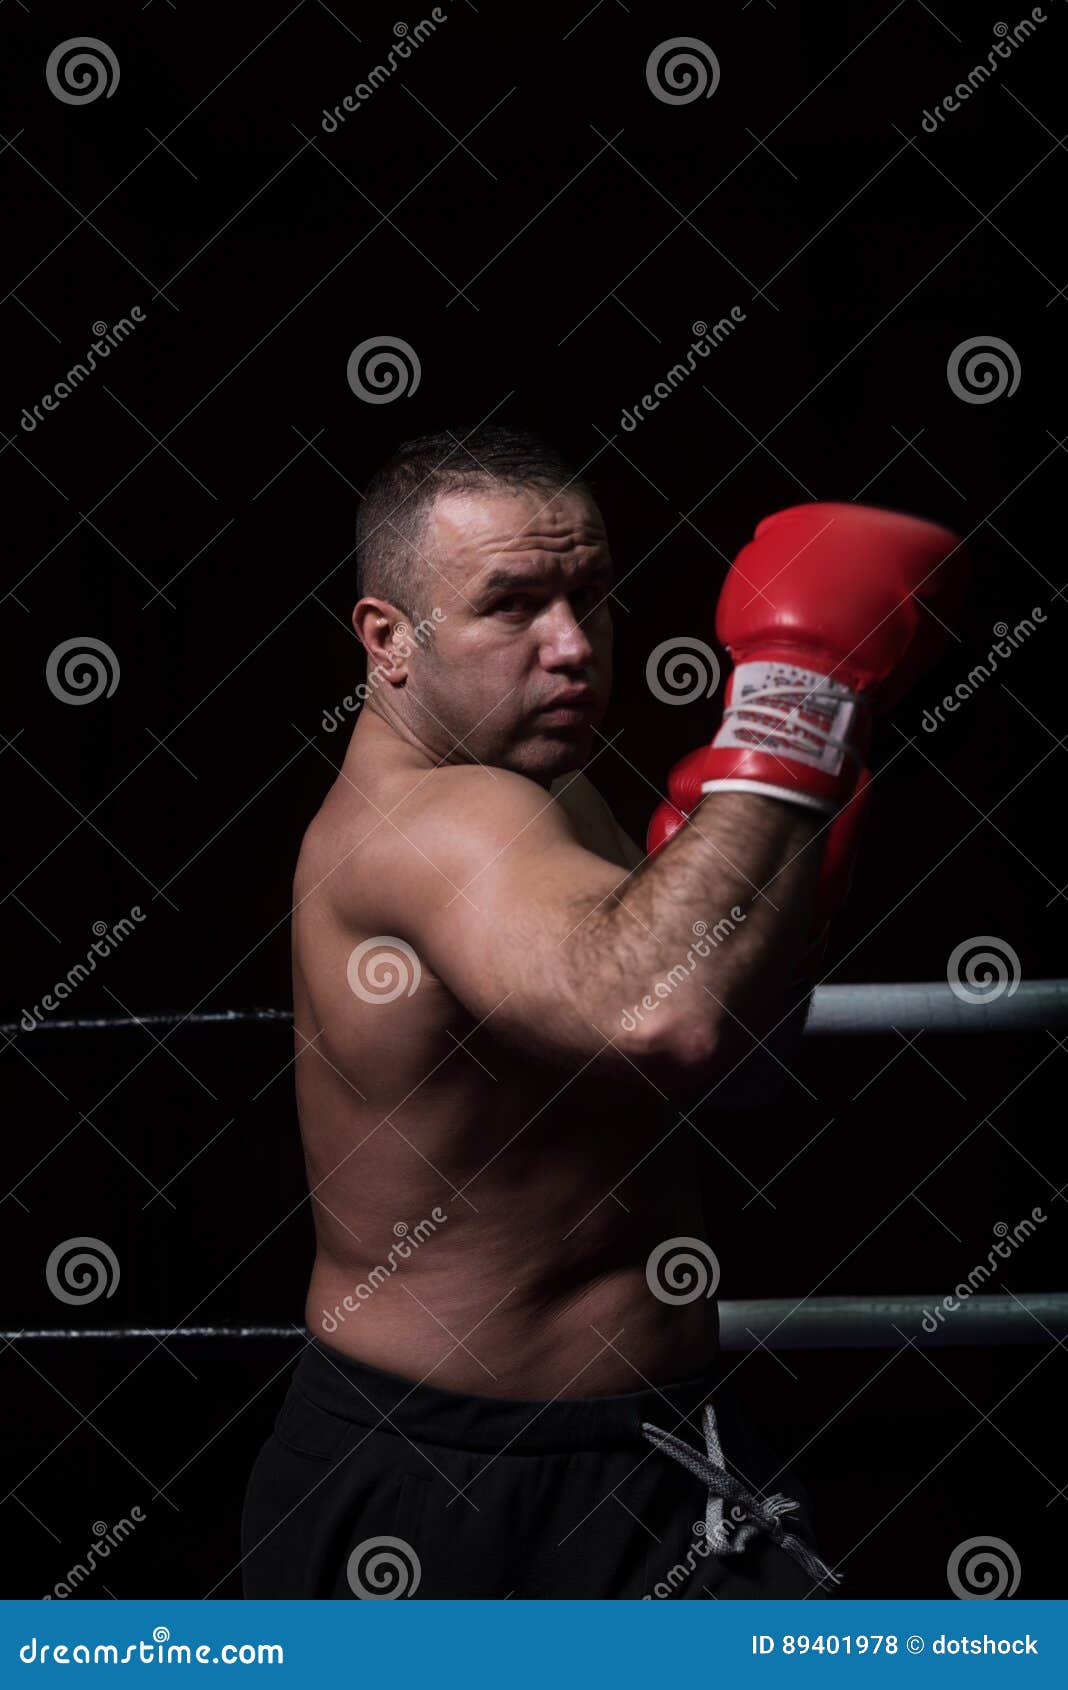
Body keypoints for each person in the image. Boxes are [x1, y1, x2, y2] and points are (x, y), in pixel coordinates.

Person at [241, 425, 967, 1598]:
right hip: (455, 1492)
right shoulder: (432, 826)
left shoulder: (540, 790)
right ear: (388, 642)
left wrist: (794, 812)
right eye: (511, 605)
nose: (572, 646)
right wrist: (795, 696)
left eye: (590, 595)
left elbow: (699, 1028)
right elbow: (658, 1012)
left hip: (641, 1452)